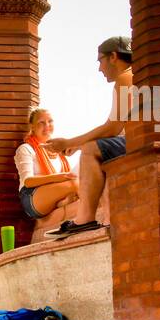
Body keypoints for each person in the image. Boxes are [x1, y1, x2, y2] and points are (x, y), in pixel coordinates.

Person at [43, 35, 134, 237]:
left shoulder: (125, 77)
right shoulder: (137, 75)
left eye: (100, 60)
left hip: (141, 143)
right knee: (93, 147)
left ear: (113, 57)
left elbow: (113, 128)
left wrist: (69, 142)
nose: (99, 68)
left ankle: (84, 219)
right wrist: (76, 144)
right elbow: (113, 128)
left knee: (91, 149)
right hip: (146, 139)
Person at [15, 107, 77, 224]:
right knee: (77, 183)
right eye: (41, 123)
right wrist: (60, 177)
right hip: (31, 197)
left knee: (81, 180)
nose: (47, 125)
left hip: (53, 193)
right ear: (32, 126)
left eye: (50, 121)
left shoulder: (59, 151)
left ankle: (61, 202)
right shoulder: (26, 149)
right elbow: (27, 181)